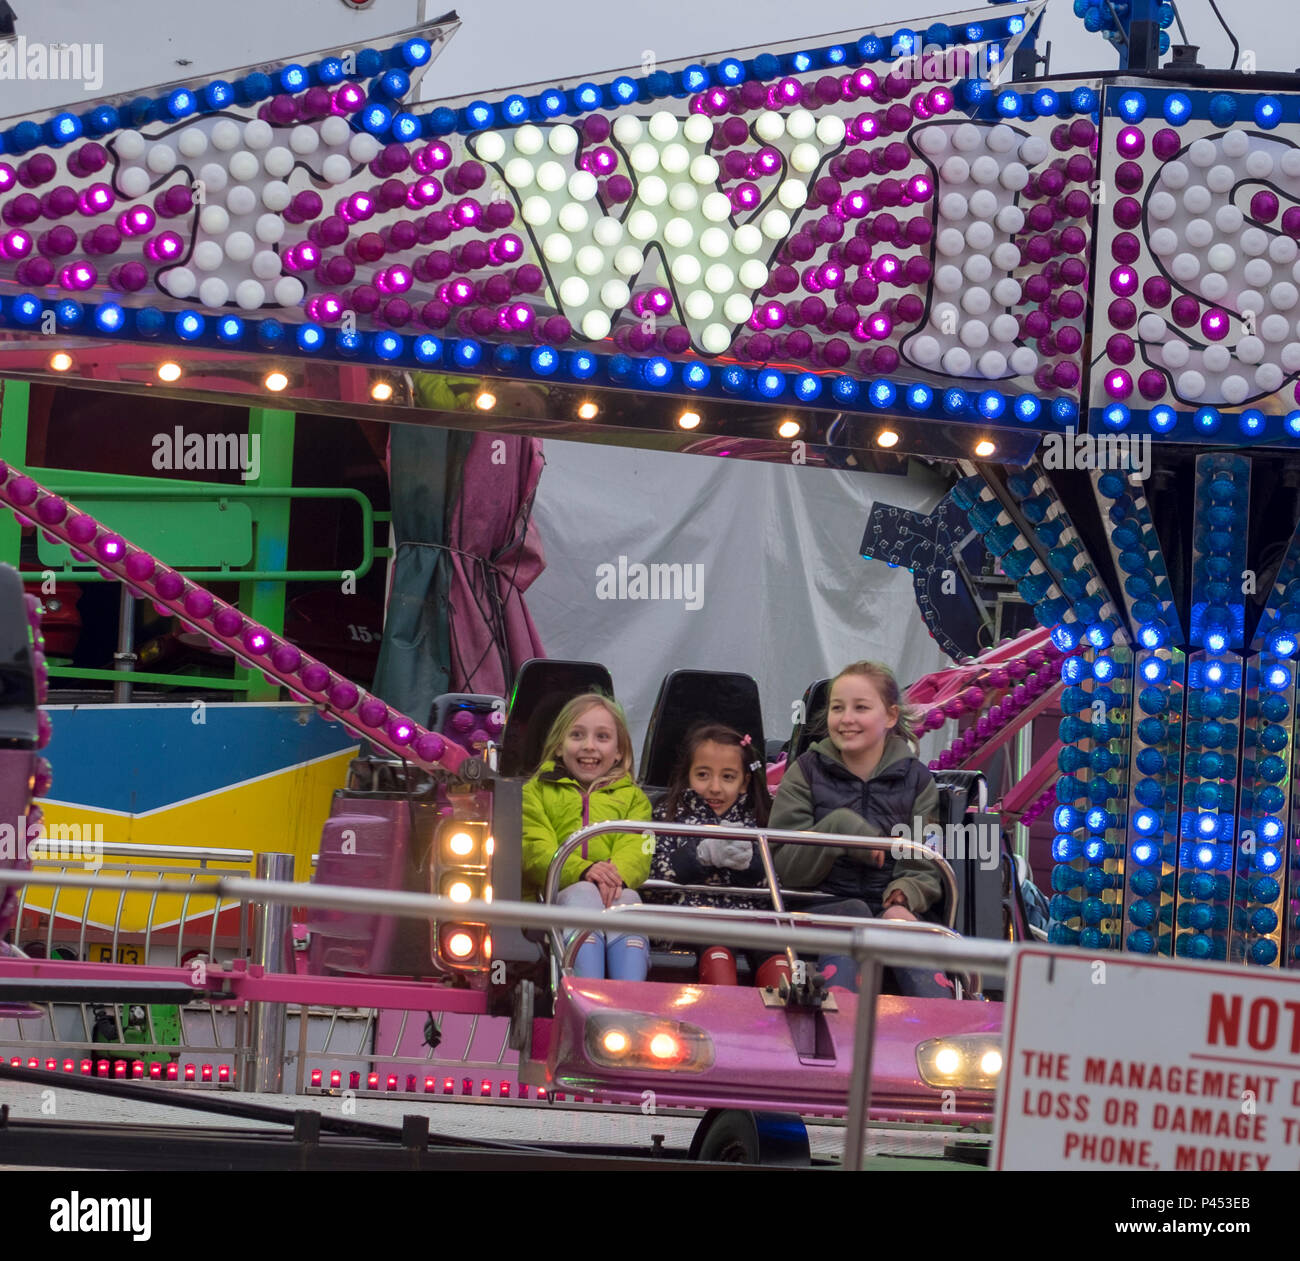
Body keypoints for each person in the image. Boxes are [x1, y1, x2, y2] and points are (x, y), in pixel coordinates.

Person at [769, 660, 949, 998]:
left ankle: (944, 1028)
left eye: (860, 708)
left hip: (885, 907)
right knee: (852, 914)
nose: (846, 718)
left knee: (901, 926)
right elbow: (785, 868)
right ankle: (842, 1025)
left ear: (891, 716)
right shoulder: (804, 772)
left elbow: (925, 863)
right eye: (838, 708)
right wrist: (839, 830)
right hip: (816, 904)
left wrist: (903, 895)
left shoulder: (917, 781)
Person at [521, 693, 653, 981]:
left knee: (630, 902)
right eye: (577, 735)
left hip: (614, 890)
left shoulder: (635, 799)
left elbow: (639, 849)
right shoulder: (535, 792)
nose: (589, 746)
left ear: (620, 751)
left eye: (602, 737)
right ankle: (585, 997)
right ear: (558, 746)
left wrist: (613, 877)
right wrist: (583, 872)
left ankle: (627, 1005)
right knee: (583, 894)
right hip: (556, 892)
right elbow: (534, 849)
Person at [647, 722, 788, 987]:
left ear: (744, 782)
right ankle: (724, 1015)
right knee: (717, 945)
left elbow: (781, 882)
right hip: (691, 918)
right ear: (687, 775)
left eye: (727, 777)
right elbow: (653, 877)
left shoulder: (761, 817)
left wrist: (752, 864)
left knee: (779, 953)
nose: (715, 787)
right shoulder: (668, 814)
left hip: (751, 919)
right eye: (703, 775)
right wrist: (699, 856)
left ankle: (783, 1021)